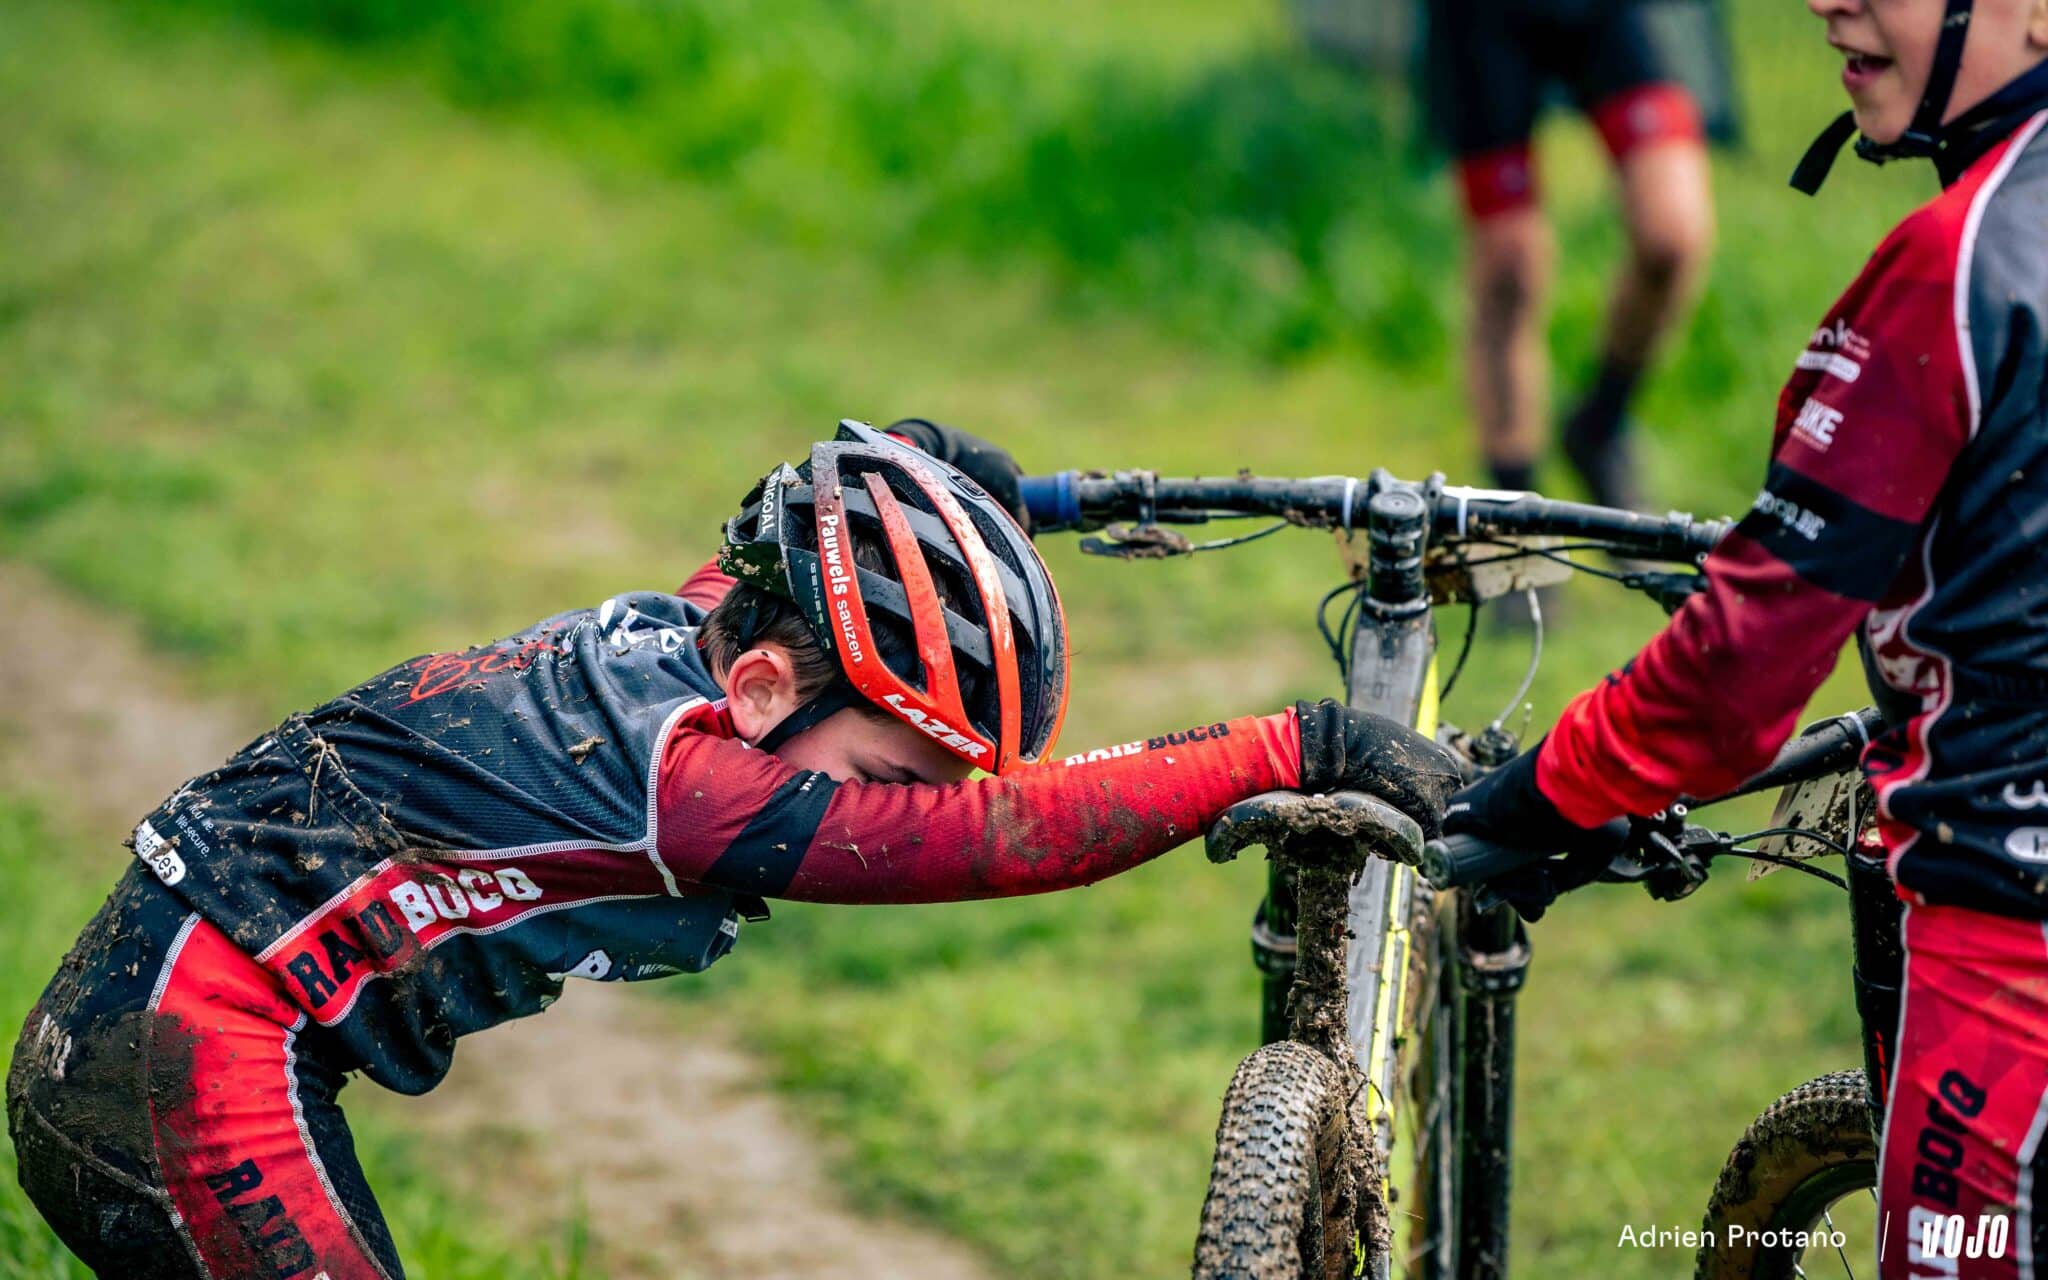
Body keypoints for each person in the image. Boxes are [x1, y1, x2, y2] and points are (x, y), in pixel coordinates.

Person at [5, 418, 1459, 1280]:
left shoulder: (705, 641)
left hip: (165, 1014)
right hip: (189, 1061)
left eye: (920, 775)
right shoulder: (690, 785)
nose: (906, 800)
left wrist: (915, 467)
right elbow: (1007, 838)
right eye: (890, 769)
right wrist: (1295, 748)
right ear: (769, 690)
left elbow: (786, 532)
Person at [1442, 0, 2048, 1269]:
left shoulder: (1956, 265)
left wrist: (1554, 785)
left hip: (2008, 956)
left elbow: (1737, 663)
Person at [1429, 0, 1717, 519]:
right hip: (1483, 22)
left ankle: (1599, 427)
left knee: (1671, 235)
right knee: (1507, 269)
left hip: (1603, 14)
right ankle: (1511, 516)